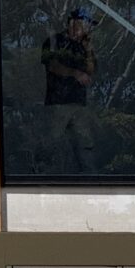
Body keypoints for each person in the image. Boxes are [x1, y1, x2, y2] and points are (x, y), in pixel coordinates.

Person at [40, 11, 98, 171]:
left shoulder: (83, 47)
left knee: (84, 144)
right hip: (58, 102)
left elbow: (91, 70)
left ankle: (90, 180)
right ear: (73, 23)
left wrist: (88, 50)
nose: (86, 28)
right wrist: (75, 73)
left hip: (79, 104)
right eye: (84, 24)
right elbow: (52, 65)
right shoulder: (55, 41)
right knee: (55, 143)